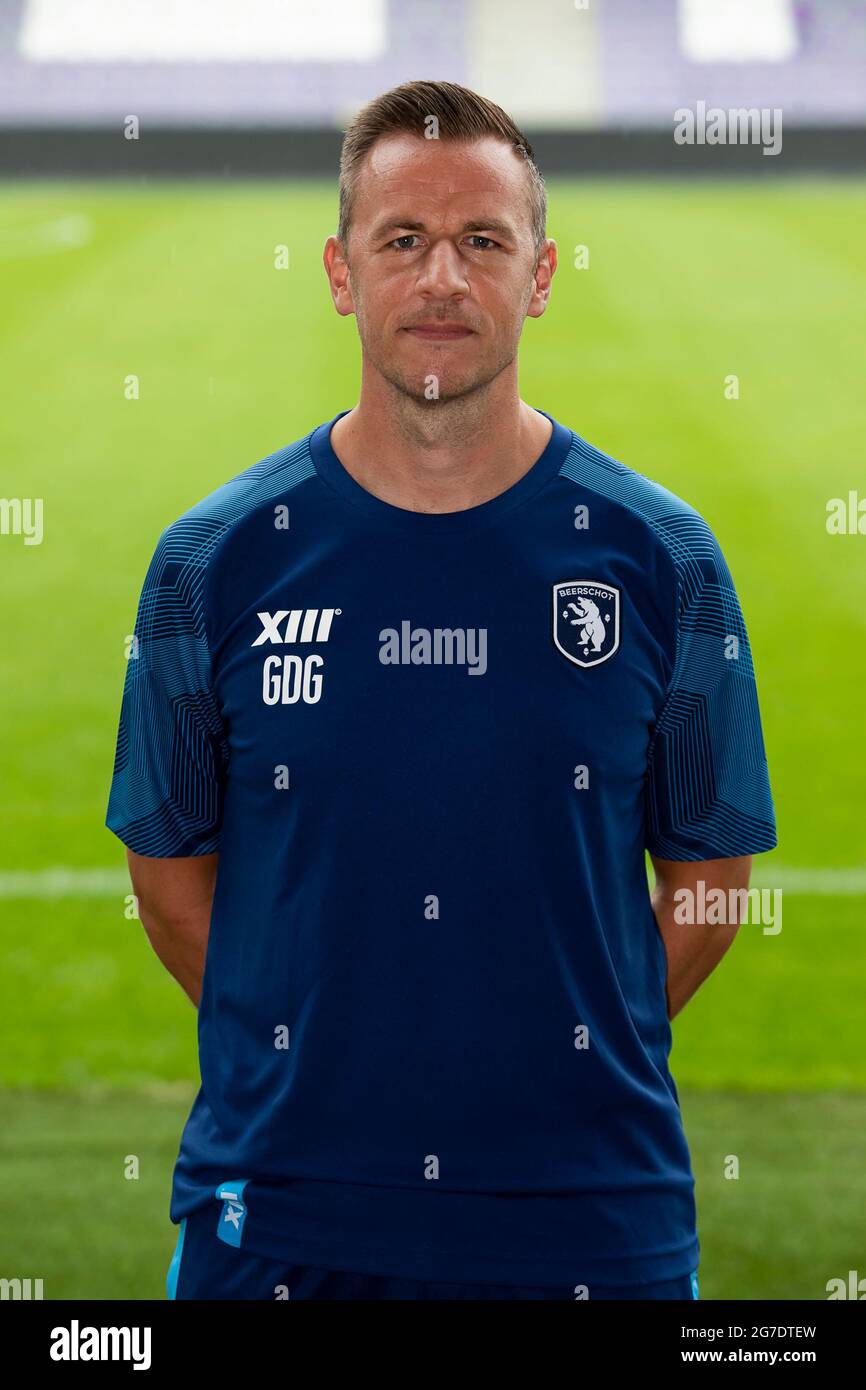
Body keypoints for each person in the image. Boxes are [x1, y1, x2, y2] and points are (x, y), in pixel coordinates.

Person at [106, 79, 777, 1301]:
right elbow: (166, 877)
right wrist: (330, 1053)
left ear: (541, 272)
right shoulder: (212, 560)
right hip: (284, 1212)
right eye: (401, 240)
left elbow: (711, 883)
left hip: (589, 1216)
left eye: (482, 241)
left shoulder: (660, 557)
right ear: (338, 268)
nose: (441, 282)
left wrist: (550, 1056)